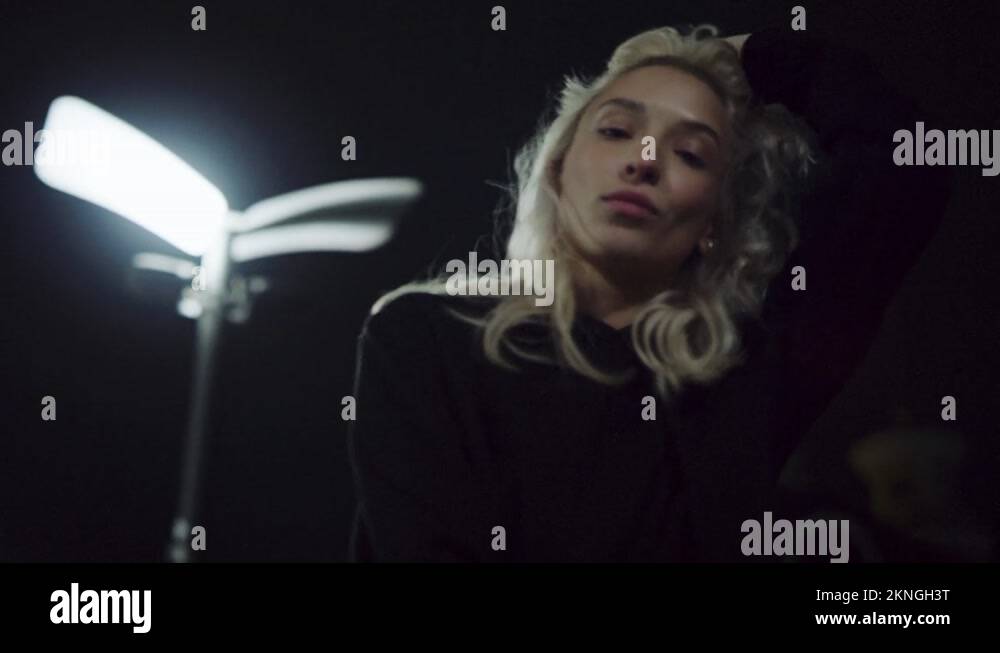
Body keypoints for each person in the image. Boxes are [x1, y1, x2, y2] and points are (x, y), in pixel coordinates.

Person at [346, 24, 952, 562]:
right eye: (616, 130)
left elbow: (909, 159)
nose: (644, 159)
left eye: (690, 153)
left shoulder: (739, 375)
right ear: (558, 166)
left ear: (715, 219)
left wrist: (747, 56)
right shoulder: (427, 335)